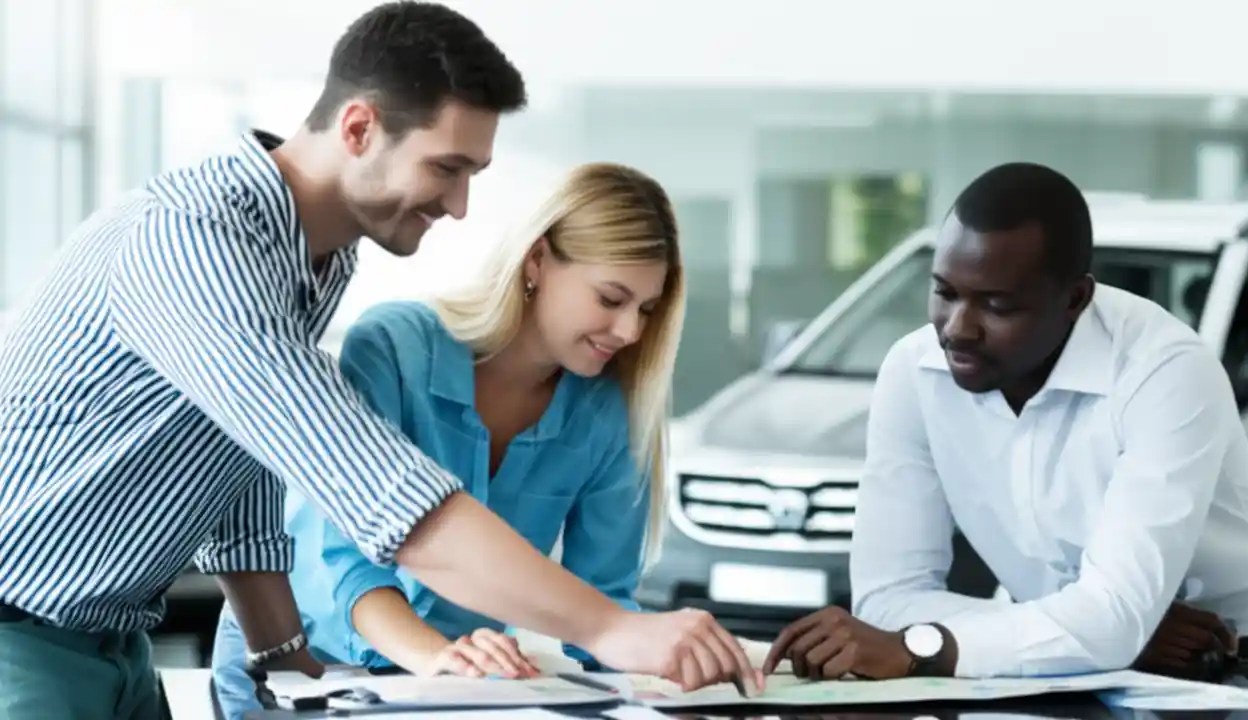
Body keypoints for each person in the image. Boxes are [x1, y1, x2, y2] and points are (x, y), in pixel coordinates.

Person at [0, 4, 759, 717]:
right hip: (18, 638)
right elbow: (377, 492)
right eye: (447, 168)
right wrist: (614, 631)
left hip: (113, 640)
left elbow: (242, 467)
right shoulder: (196, 243)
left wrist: (282, 649)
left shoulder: (314, 263)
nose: (459, 205)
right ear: (359, 127)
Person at [764, 162, 1248, 685]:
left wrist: (929, 645)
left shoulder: (1165, 370)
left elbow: (1112, 619)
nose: (958, 330)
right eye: (945, 293)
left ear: (1075, 300)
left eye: (997, 305)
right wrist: (1086, 637)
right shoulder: (913, 371)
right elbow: (887, 600)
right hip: (1070, 679)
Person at [210, 162, 685, 716]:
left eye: (647, 310)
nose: (630, 331)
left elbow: (602, 606)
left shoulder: (609, 410)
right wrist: (439, 657)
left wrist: (681, 663)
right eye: (610, 299)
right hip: (296, 670)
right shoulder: (395, 348)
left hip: (445, 691)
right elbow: (347, 563)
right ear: (537, 261)